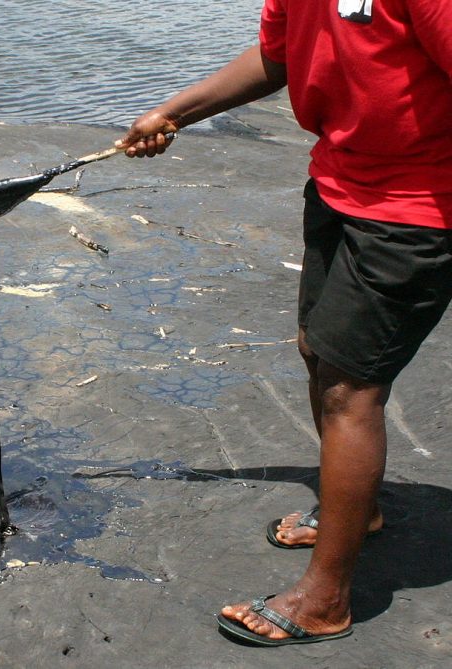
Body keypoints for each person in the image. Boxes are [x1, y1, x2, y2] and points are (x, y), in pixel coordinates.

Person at [117, 0, 452, 646]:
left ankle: (326, 598)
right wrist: (174, 112)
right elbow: (278, 57)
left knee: (350, 389)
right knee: (317, 349)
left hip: (414, 208)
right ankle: (354, 510)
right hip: (338, 183)